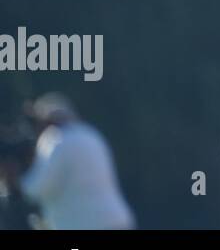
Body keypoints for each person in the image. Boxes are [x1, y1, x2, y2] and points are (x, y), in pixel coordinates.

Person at [8, 93, 134, 229]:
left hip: (86, 225)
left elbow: (37, 187)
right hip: (117, 220)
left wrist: (15, 181)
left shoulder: (56, 140)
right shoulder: (91, 134)